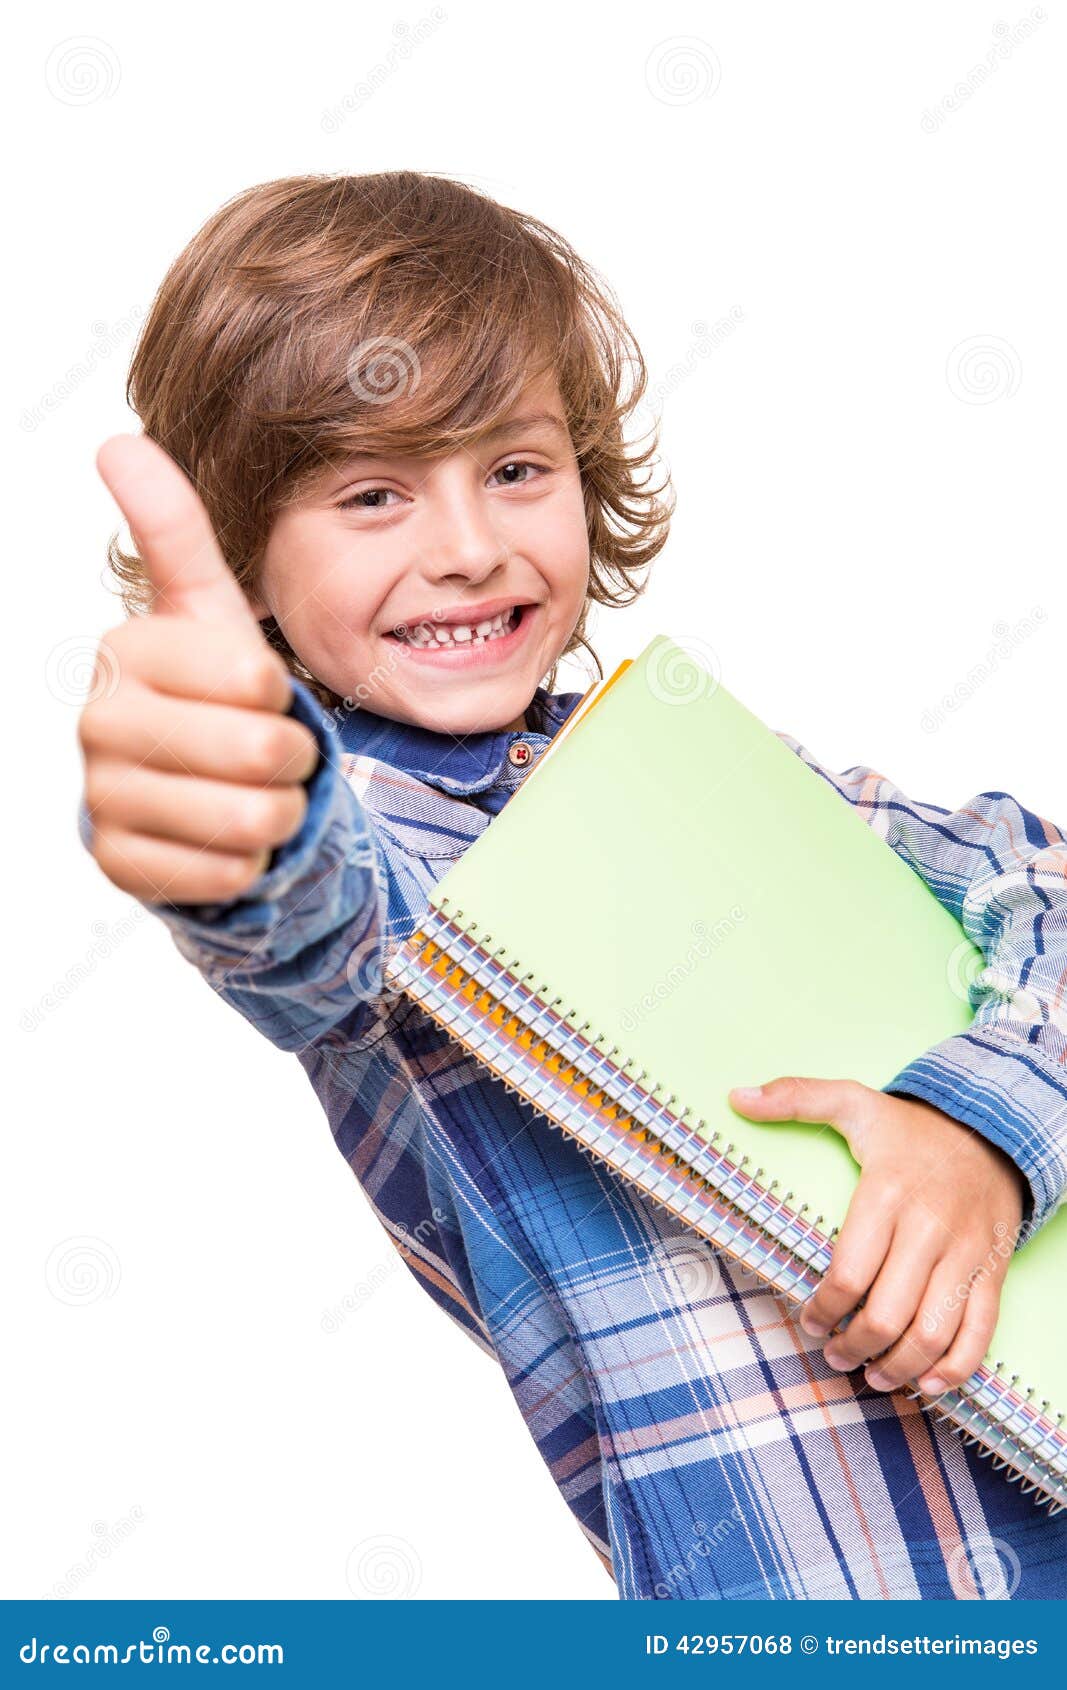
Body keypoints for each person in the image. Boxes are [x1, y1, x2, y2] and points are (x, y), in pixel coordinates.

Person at [78, 172, 1067, 1599]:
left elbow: (1038, 877)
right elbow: (296, 914)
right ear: (241, 559)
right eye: (372, 494)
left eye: (517, 468)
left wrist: (981, 1138)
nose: (471, 544)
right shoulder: (370, 859)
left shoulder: (701, 767)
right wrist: (223, 808)